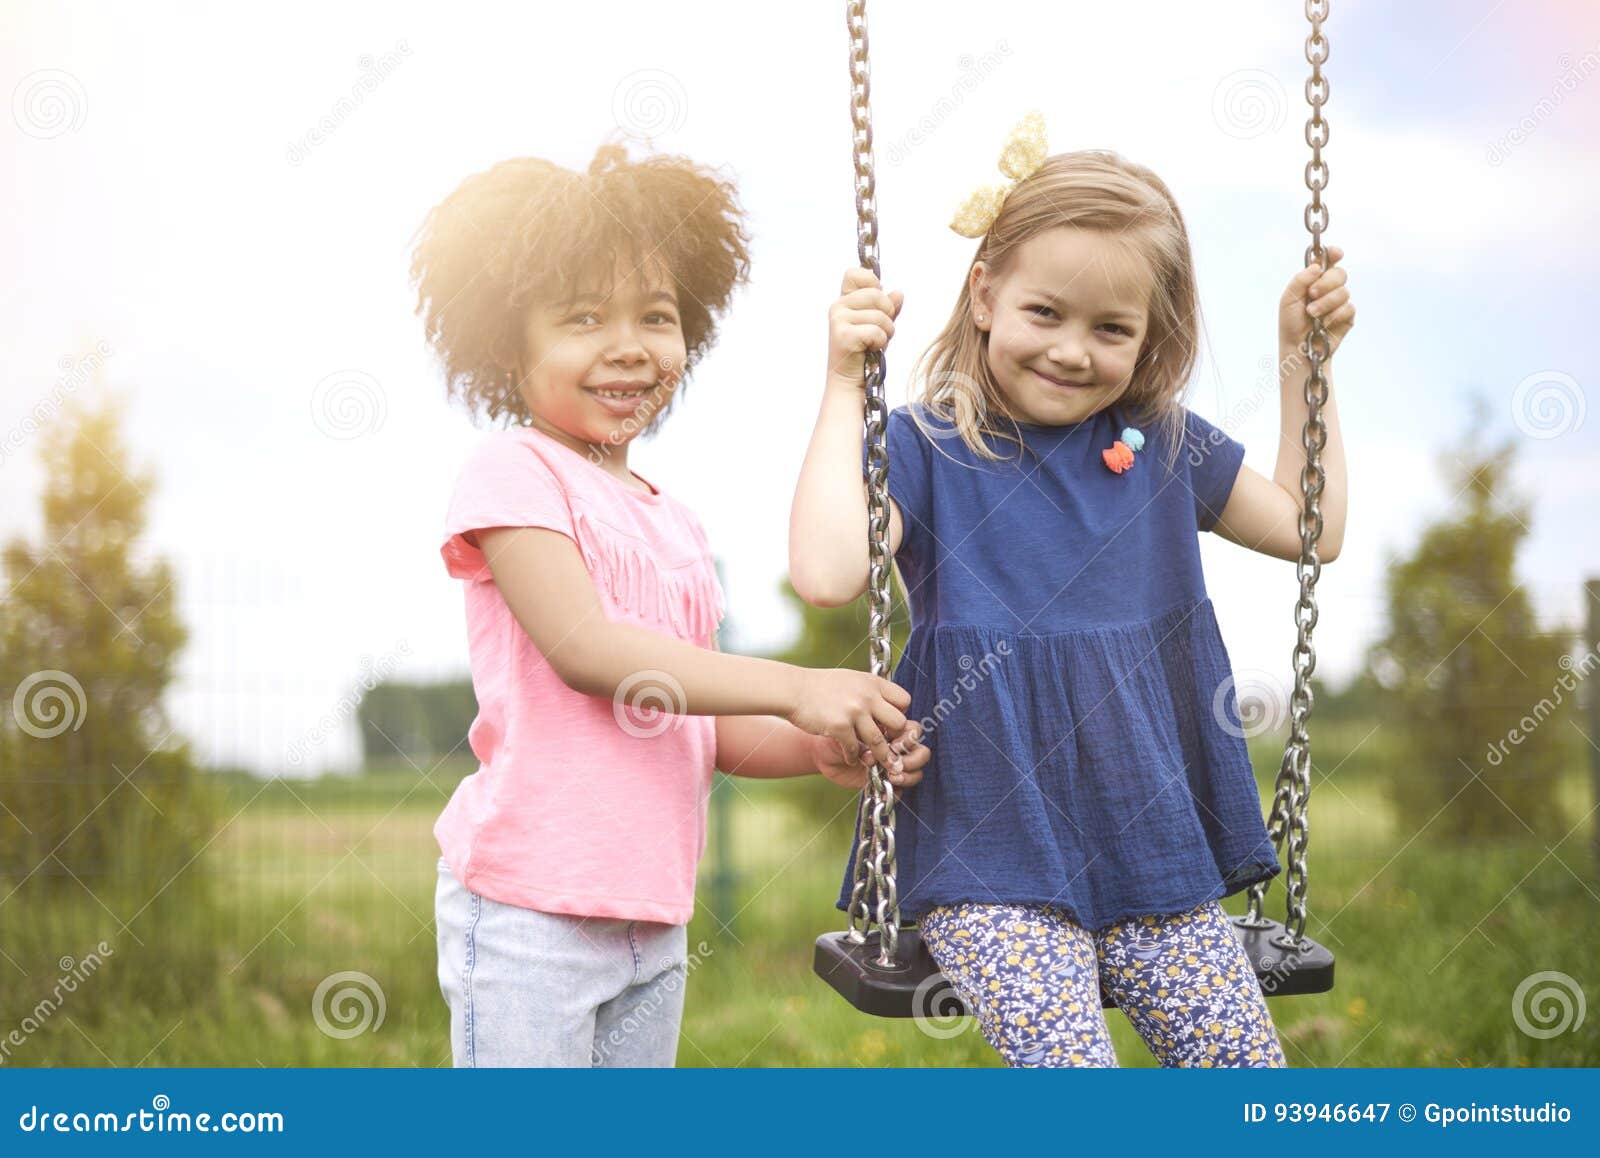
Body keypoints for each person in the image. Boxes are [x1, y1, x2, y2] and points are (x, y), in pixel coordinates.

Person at [788, 113, 1353, 1067]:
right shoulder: (929, 447)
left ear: (1149, 335)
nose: (1071, 350)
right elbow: (828, 572)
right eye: (1044, 313)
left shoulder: (1166, 446)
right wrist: (846, 384)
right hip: (989, 862)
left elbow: (1314, 529)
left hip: (1159, 862)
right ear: (984, 295)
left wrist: (1308, 361)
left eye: (1111, 328)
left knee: (1247, 1071)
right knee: (1071, 1074)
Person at [411, 143, 928, 1067]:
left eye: (657, 316)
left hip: (651, 917)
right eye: (582, 318)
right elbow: (586, 649)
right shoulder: (514, 474)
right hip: (533, 903)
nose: (630, 346)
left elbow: (706, 729)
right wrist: (795, 682)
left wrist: (819, 743)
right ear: (507, 341)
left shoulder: (674, 522)